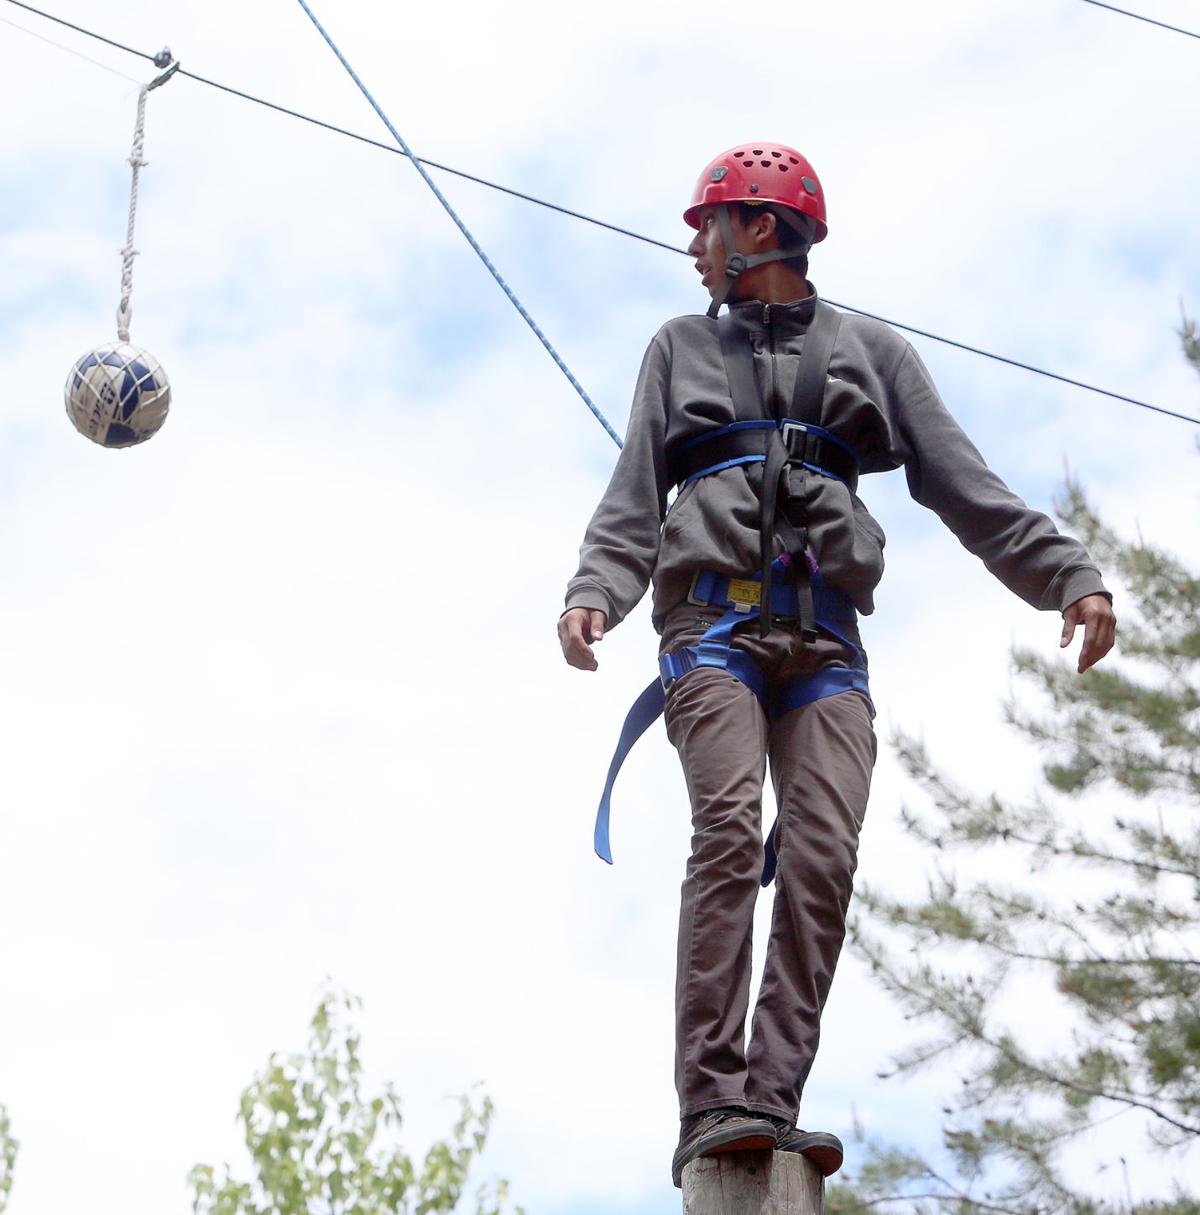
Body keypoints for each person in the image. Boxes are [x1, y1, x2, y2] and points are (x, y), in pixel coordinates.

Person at [557, 142, 1116, 1189]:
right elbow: (634, 494)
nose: (691, 248)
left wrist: (1068, 576)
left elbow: (966, 487)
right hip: (712, 632)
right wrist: (597, 593)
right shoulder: (677, 349)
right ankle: (710, 1095)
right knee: (728, 829)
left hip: (827, 649)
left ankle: (770, 1099)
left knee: (821, 859)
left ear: (758, 231)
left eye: (704, 226)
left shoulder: (874, 356)